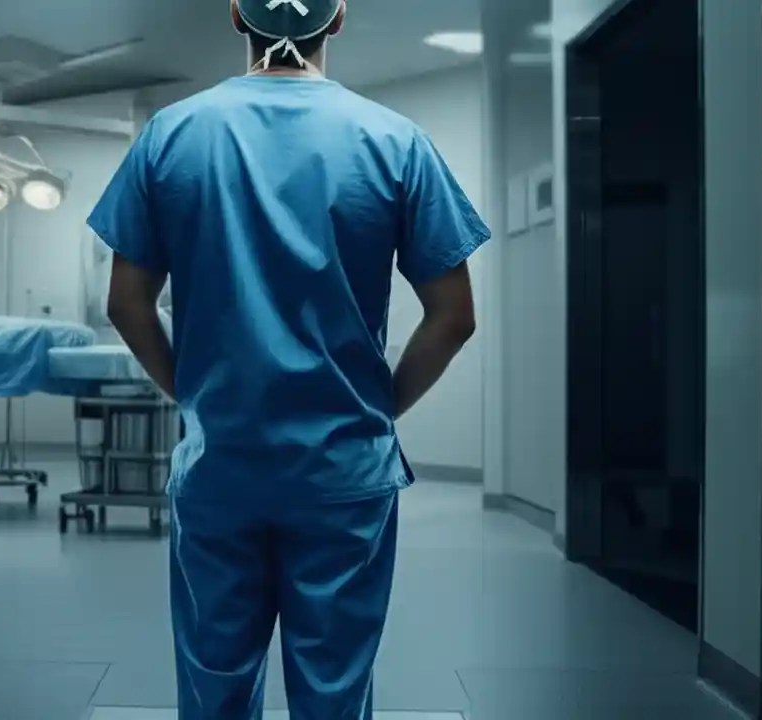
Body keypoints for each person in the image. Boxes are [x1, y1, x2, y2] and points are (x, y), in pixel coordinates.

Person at [87, 1, 489, 717]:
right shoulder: (394, 141)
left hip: (222, 464)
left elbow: (125, 303)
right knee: (334, 692)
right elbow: (454, 317)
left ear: (236, 15)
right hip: (342, 471)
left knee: (215, 687)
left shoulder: (172, 135)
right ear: (337, 21)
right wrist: (374, 409)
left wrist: (193, 395)